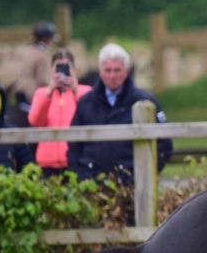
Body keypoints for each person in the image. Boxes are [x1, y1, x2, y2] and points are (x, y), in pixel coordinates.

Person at [66, 43, 172, 183]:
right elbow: (73, 145)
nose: (112, 75)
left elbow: (164, 145)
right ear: (100, 71)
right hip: (91, 185)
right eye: (108, 70)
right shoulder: (86, 102)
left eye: (117, 70)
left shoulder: (145, 101)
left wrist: (144, 174)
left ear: (126, 71)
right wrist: (81, 175)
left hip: (131, 186)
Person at [28, 49, 92, 177]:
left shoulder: (86, 92)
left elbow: (90, 118)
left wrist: (75, 92)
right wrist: (49, 93)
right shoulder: (42, 93)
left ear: (74, 69)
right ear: (51, 69)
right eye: (58, 67)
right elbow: (35, 122)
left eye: (67, 67)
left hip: (76, 160)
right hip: (47, 162)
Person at [8, 21, 57, 127]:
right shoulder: (41, 55)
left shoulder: (28, 50)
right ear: (46, 39)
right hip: (30, 95)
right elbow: (43, 80)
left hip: (18, 91)